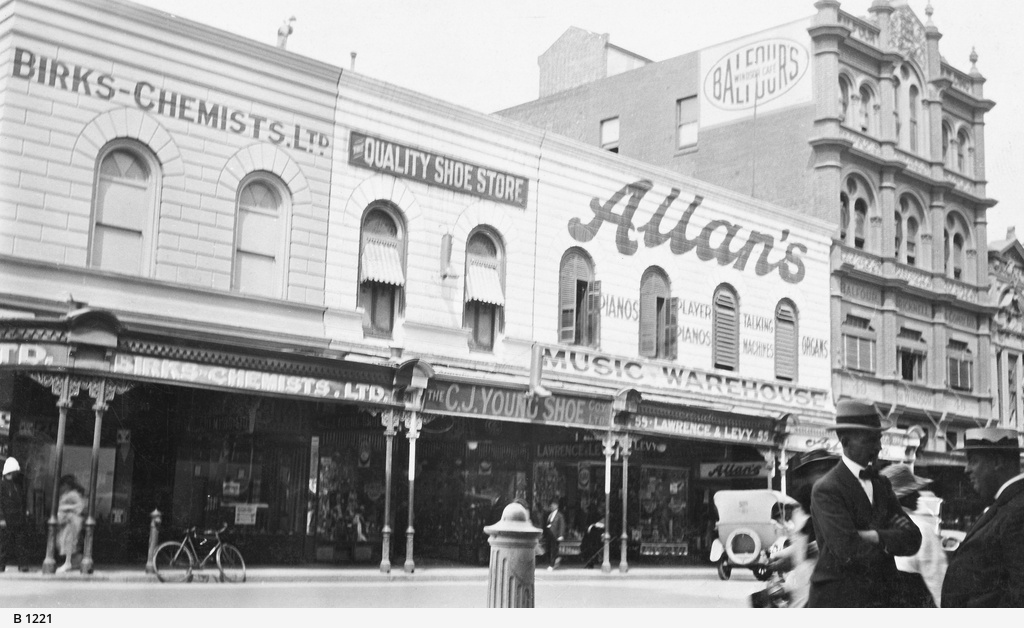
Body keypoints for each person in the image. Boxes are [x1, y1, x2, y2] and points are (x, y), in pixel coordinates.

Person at [807, 399, 922, 607]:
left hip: (880, 600)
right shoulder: (827, 489)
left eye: (878, 438)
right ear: (845, 441)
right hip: (840, 602)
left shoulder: (882, 485)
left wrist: (872, 535)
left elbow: (913, 538)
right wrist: (889, 539)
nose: (878, 446)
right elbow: (847, 550)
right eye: (870, 439)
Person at [941, 427, 1024, 607]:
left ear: (997, 461)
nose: (966, 469)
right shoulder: (1006, 504)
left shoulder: (1018, 511)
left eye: (973, 461)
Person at [766, 448, 839, 608]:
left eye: (824, 469)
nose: (820, 474)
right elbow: (800, 549)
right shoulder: (803, 509)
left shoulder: (838, 505)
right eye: (814, 471)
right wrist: (776, 559)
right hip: (804, 586)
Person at [880, 463, 946, 607]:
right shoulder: (921, 529)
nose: (917, 495)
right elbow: (938, 583)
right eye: (912, 492)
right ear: (901, 498)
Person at [0, 457, 30, 572]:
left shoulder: (16, 484)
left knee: (20, 543)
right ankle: (1, 564)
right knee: (3, 544)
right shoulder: (2, 485)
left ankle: (22, 565)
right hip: (6, 519)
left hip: (17, 519)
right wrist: (1, 518)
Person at [56, 475, 86, 573]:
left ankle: (68, 563)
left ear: (67, 485)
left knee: (69, 542)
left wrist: (66, 508)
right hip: (66, 522)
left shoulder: (73, 494)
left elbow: (80, 506)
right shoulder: (66, 494)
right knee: (64, 542)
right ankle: (75, 561)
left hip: (71, 522)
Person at [544, 498, 566, 570]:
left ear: (557, 506)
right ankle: (554, 561)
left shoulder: (560, 515)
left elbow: (562, 526)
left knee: (553, 549)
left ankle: (552, 564)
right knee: (548, 548)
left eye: (553, 505)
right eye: (551, 505)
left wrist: (561, 535)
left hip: (555, 534)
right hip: (549, 534)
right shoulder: (549, 514)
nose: (551, 506)